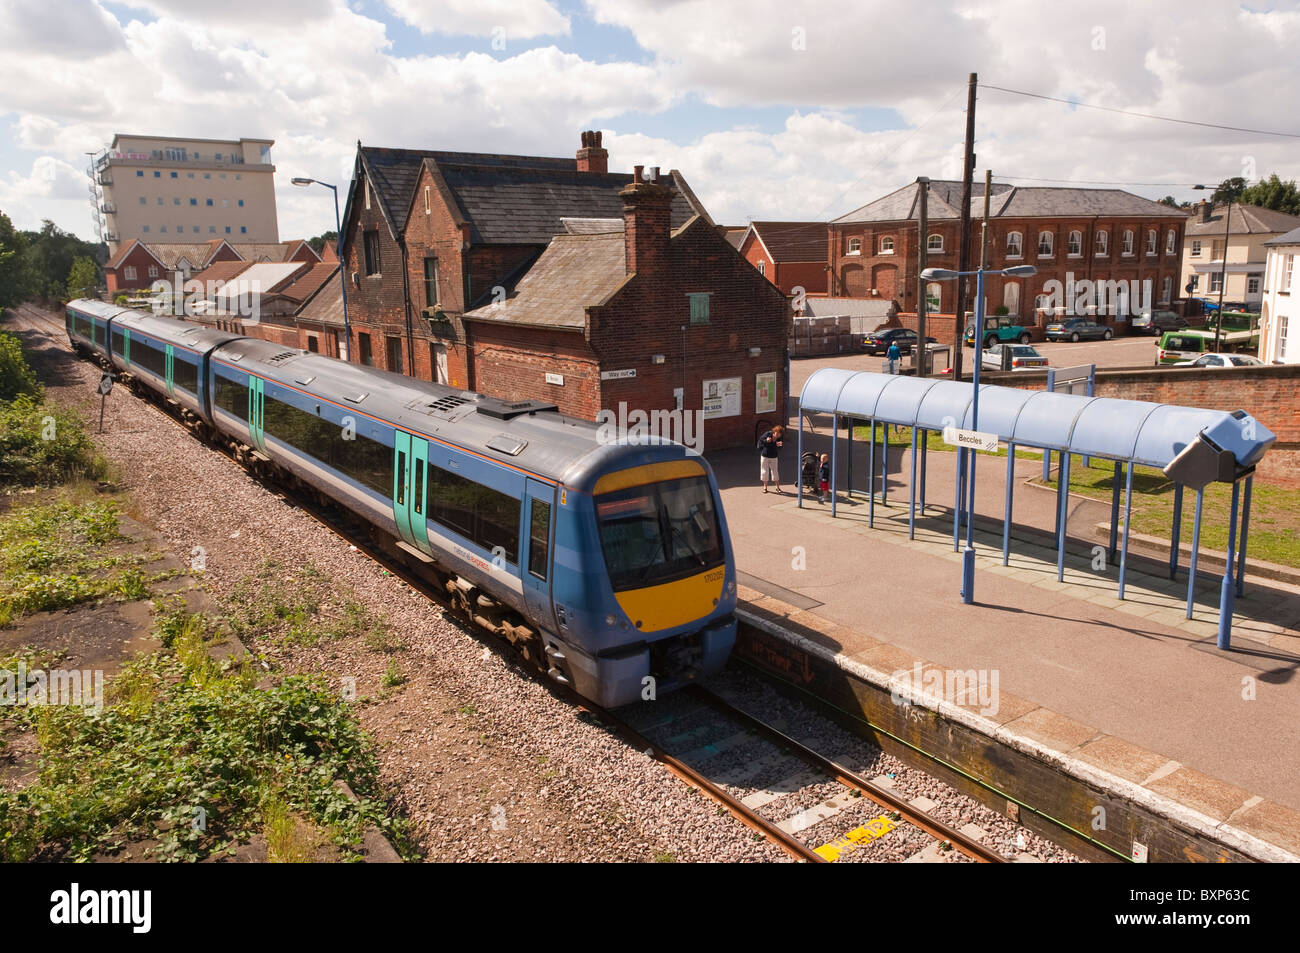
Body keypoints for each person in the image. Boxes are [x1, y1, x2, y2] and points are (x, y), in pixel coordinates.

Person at [758, 423, 784, 494]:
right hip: (765, 455)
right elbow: (761, 441)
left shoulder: (779, 439)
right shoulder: (768, 434)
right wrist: (766, 441)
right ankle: (765, 487)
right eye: (777, 433)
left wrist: (778, 445)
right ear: (774, 431)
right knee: (764, 471)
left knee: (775, 471)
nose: (777, 435)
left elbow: (780, 447)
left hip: (774, 457)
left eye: (779, 434)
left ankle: (777, 487)